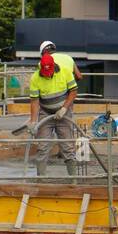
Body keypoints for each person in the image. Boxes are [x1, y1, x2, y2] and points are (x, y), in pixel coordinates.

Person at [28, 45, 78, 178]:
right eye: (45, 73)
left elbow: (73, 92)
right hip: (45, 113)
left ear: (54, 66)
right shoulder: (35, 78)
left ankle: (74, 180)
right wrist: (33, 122)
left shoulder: (65, 72)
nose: (47, 75)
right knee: (42, 147)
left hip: (63, 113)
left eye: (49, 72)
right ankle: (41, 180)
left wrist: (64, 108)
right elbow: (34, 101)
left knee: (67, 146)